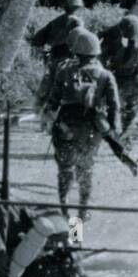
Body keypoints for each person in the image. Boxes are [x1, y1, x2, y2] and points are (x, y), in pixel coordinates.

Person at [44, 28, 120, 223]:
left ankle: (64, 209)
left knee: (65, 169)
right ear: (96, 52)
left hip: (65, 126)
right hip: (91, 129)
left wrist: (49, 121)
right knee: (86, 170)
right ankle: (82, 212)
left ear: (76, 51)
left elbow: (52, 102)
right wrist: (114, 132)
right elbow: (114, 107)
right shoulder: (105, 75)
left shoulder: (64, 71)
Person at [102, 13, 138, 138]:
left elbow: (102, 61)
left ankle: (116, 132)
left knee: (115, 107)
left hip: (117, 81)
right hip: (135, 82)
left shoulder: (114, 44)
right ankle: (124, 133)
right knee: (131, 110)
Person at [30, 0, 86, 69]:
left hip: (55, 51)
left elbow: (38, 36)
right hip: (65, 53)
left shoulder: (58, 20)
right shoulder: (77, 22)